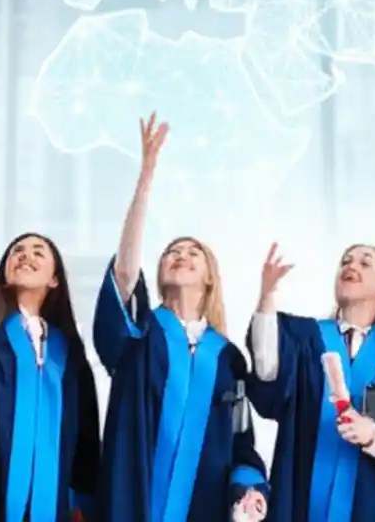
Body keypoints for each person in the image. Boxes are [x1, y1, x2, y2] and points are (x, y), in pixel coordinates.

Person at [94, 114, 270, 522]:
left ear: (210, 278)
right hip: (131, 506)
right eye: (172, 252)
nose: (181, 255)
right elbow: (123, 273)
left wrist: (250, 492)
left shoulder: (228, 359)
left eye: (193, 253)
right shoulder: (139, 336)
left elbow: (241, 441)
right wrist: (146, 178)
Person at [0, 144, 101, 521]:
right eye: (17, 251)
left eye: (38, 252)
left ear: (55, 279)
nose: (25, 255)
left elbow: (85, 445)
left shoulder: (67, 356)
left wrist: (80, 504)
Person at [246, 241, 375, 521]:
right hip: (299, 506)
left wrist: (374, 435)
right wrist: (266, 297)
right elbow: (267, 370)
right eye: (346, 261)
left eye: (364, 262)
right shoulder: (304, 339)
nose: (351, 266)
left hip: (365, 507)